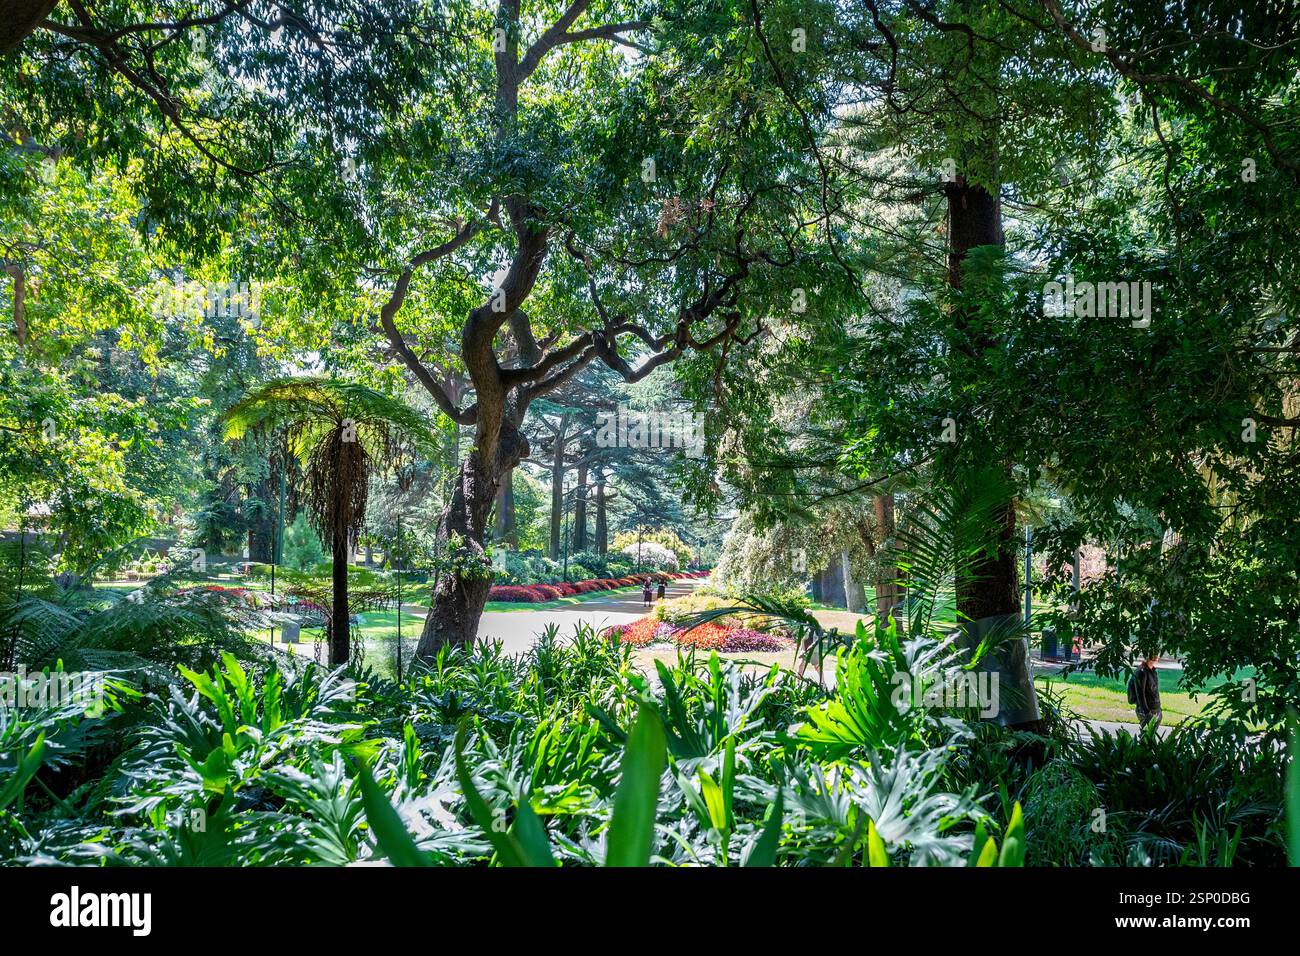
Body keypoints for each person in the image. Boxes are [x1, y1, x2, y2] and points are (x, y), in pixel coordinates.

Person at [1127, 654, 1162, 732]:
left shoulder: (1152, 670)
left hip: (1156, 709)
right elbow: (1140, 694)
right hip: (1147, 711)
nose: (1158, 655)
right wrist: (1147, 712)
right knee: (1146, 737)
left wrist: (1159, 709)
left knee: (1151, 737)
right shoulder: (1141, 672)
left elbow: (1154, 690)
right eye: (1155, 653)